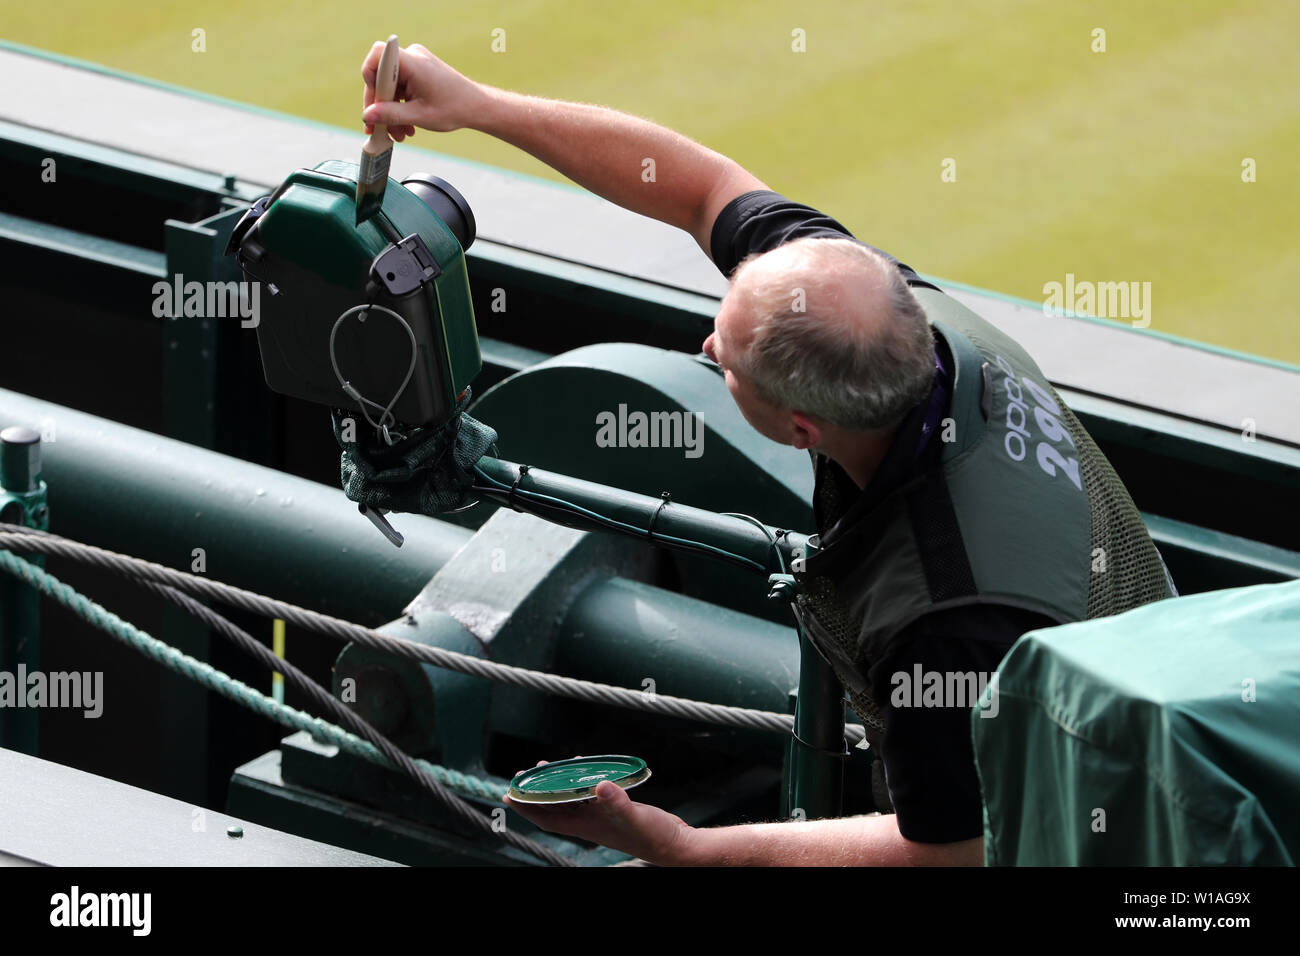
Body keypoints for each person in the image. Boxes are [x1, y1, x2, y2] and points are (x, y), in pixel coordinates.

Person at [360, 41, 1176, 866]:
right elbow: (702, 187)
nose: (710, 341)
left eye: (728, 360)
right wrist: (473, 105)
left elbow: (956, 853)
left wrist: (685, 848)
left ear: (801, 431)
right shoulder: (875, 310)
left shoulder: (944, 616)